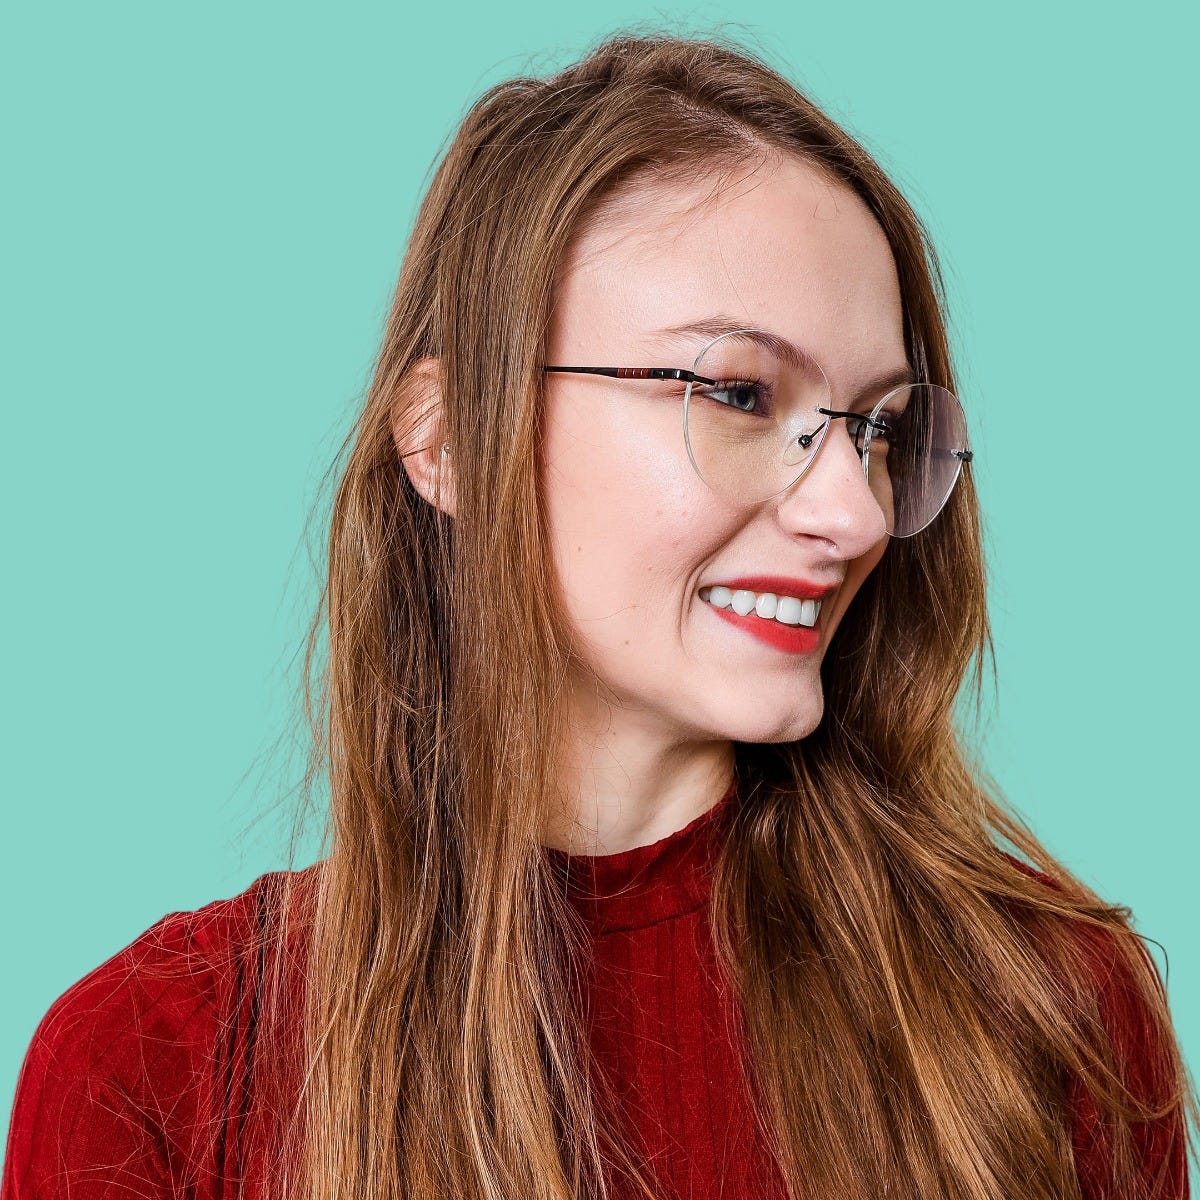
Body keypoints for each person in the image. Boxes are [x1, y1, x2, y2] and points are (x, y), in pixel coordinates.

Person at [3, 29, 1195, 1200]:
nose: (855, 512)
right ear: (449, 438)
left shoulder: (1045, 1010)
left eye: (879, 427)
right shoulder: (155, 1073)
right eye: (739, 394)